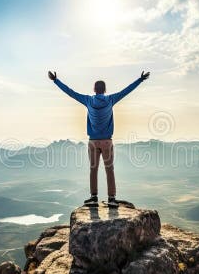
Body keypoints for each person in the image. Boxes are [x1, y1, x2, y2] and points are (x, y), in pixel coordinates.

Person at [48, 70, 150, 208]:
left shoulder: (88, 100)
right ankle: (112, 199)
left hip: (93, 142)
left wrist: (55, 80)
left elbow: (70, 92)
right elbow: (127, 91)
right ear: (105, 90)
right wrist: (140, 79)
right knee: (110, 169)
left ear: (94, 89)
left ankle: (94, 197)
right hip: (107, 141)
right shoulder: (110, 100)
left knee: (93, 169)